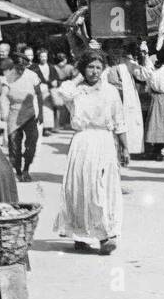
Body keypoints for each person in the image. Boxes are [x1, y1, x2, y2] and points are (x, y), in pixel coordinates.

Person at [52, 51, 128, 255]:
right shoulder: (77, 91)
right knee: (80, 188)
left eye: (98, 67)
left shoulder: (111, 91)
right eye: (90, 67)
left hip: (104, 141)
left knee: (102, 188)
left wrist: (124, 147)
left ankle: (106, 234)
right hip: (83, 141)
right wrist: (78, 77)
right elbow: (62, 92)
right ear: (83, 69)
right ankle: (81, 235)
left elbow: (119, 120)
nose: (94, 72)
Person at [103, 42, 148, 160]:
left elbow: (144, 75)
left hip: (125, 102)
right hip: (108, 101)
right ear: (107, 50)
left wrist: (145, 56)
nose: (116, 51)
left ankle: (124, 151)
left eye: (118, 48)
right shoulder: (102, 64)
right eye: (113, 48)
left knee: (123, 127)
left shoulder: (128, 64)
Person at [3, 55, 44, 182]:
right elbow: (3, 96)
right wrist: (3, 112)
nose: (19, 69)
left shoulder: (32, 75)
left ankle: (26, 169)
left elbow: (39, 94)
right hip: (14, 113)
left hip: (30, 114)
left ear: (26, 65)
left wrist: (41, 113)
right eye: (17, 66)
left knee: (31, 143)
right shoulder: (8, 76)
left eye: (22, 66)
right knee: (14, 145)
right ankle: (18, 171)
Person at [144, 50, 164, 158]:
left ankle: (155, 148)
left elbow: (148, 88)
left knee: (155, 122)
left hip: (155, 97)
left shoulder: (154, 73)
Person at [31, 48, 59, 136]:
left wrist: (54, 82)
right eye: (41, 56)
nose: (43, 58)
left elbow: (56, 78)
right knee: (38, 108)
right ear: (38, 57)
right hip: (39, 89)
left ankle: (47, 128)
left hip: (49, 90)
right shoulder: (35, 67)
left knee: (48, 109)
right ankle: (39, 127)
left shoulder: (51, 67)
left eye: (45, 56)